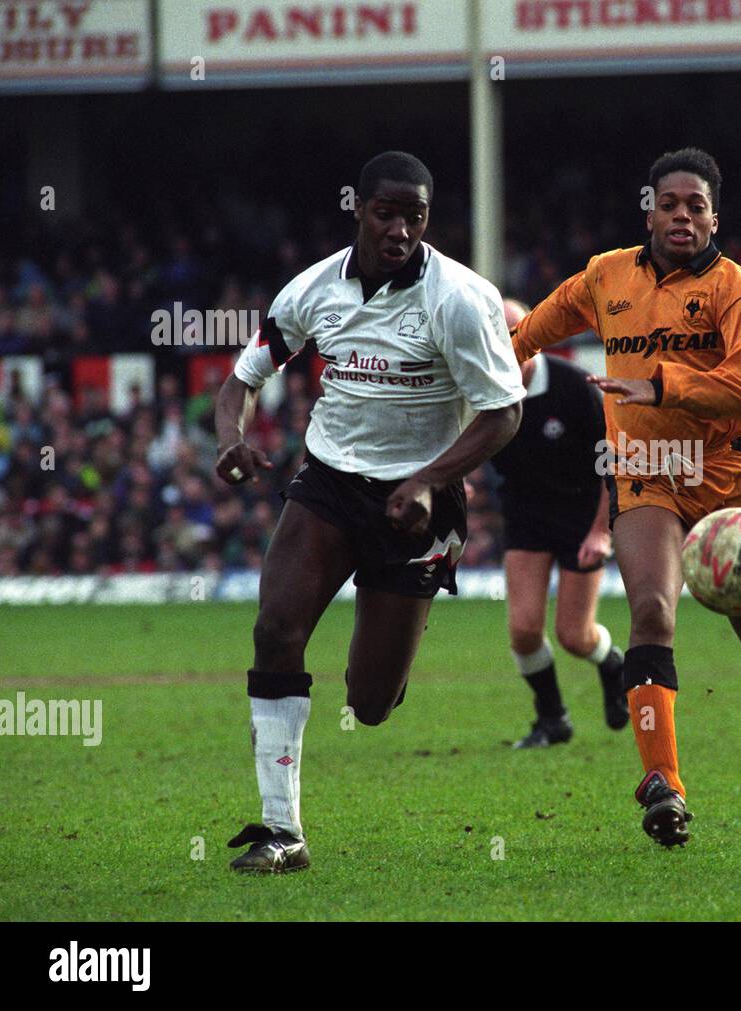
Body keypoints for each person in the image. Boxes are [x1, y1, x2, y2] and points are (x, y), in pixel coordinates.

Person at [214, 151, 525, 872]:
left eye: (415, 216)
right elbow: (242, 377)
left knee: (372, 700)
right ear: (357, 206)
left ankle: (394, 645)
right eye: (387, 212)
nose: (400, 229)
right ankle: (280, 830)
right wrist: (231, 438)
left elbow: (503, 414)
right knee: (275, 629)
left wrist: (428, 477)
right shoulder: (315, 288)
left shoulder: (460, 298)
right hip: (328, 482)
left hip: (422, 501)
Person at [511, 147, 741, 848]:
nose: (683, 216)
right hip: (645, 468)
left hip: (724, 472)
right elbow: (531, 332)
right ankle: (663, 785)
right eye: (670, 203)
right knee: (652, 608)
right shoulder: (605, 276)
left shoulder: (734, 288)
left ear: (716, 216)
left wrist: (660, 384)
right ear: (648, 207)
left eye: (697, 206)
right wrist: (497, 358)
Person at [490, 298, 628, 749]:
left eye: (516, 333)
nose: (507, 344)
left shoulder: (574, 387)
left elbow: (613, 461)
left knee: (575, 635)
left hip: (580, 515)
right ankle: (552, 719)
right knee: (524, 630)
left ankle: (613, 664)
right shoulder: (482, 388)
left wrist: (601, 531)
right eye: (498, 334)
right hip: (526, 517)